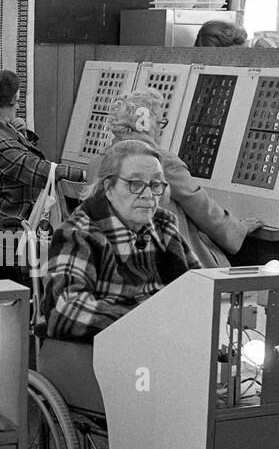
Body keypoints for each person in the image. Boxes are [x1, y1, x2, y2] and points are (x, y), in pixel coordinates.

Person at [44, 140, 201, 342]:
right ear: (109, 187)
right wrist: (150, 321)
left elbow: (199, 289)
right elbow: (64, 311)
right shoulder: (79, 233)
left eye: (155, 185)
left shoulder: (163, 225)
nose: (148, 195)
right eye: (135, 184)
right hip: (100, 353)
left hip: (166, 345)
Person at [87, 90, 262, 267]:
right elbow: (202, 208)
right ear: (147, 125)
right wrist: (238, 229)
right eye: (160, 123)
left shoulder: (96, 164)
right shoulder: (160, 163)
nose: (159, 131)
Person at [0, 64, 85, 233]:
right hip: (14, 223)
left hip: (4, 213)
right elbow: (38, 169)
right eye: (17, 101)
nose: (19, 107)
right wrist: (86, 174)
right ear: (10, 101)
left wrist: (19, 134)